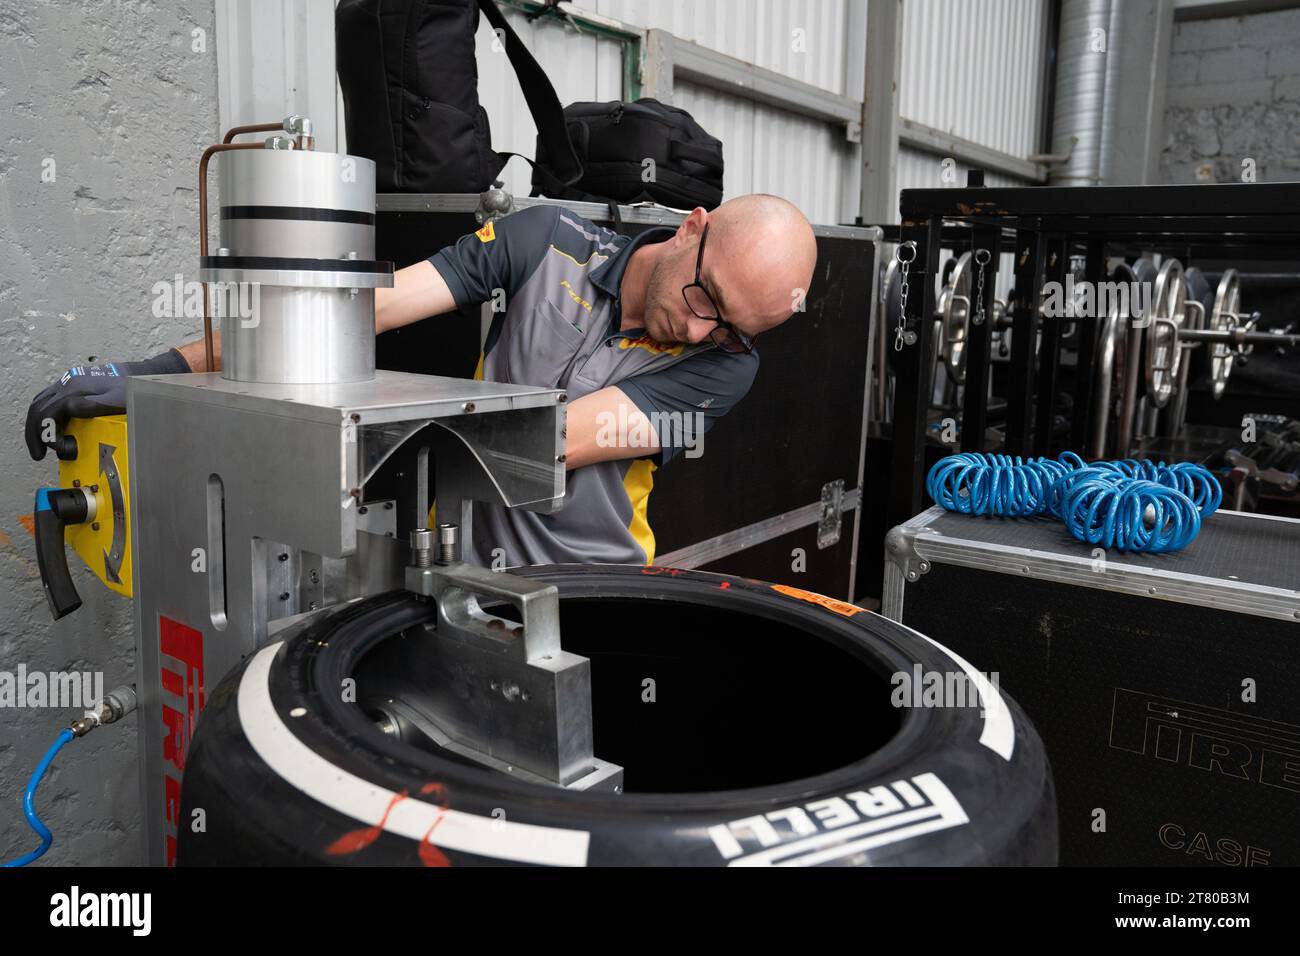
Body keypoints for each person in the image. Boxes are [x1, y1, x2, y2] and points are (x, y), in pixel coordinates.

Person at [25, 193, 817, 566]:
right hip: (450, 568)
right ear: (691, 227)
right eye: (706, 300)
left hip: (588, 597)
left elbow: (541, 443)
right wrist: (159, 374)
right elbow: (359, 313)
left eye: (735, 326)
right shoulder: (548, 240)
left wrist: (322, 440)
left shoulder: (725, 368)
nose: (702, 330)